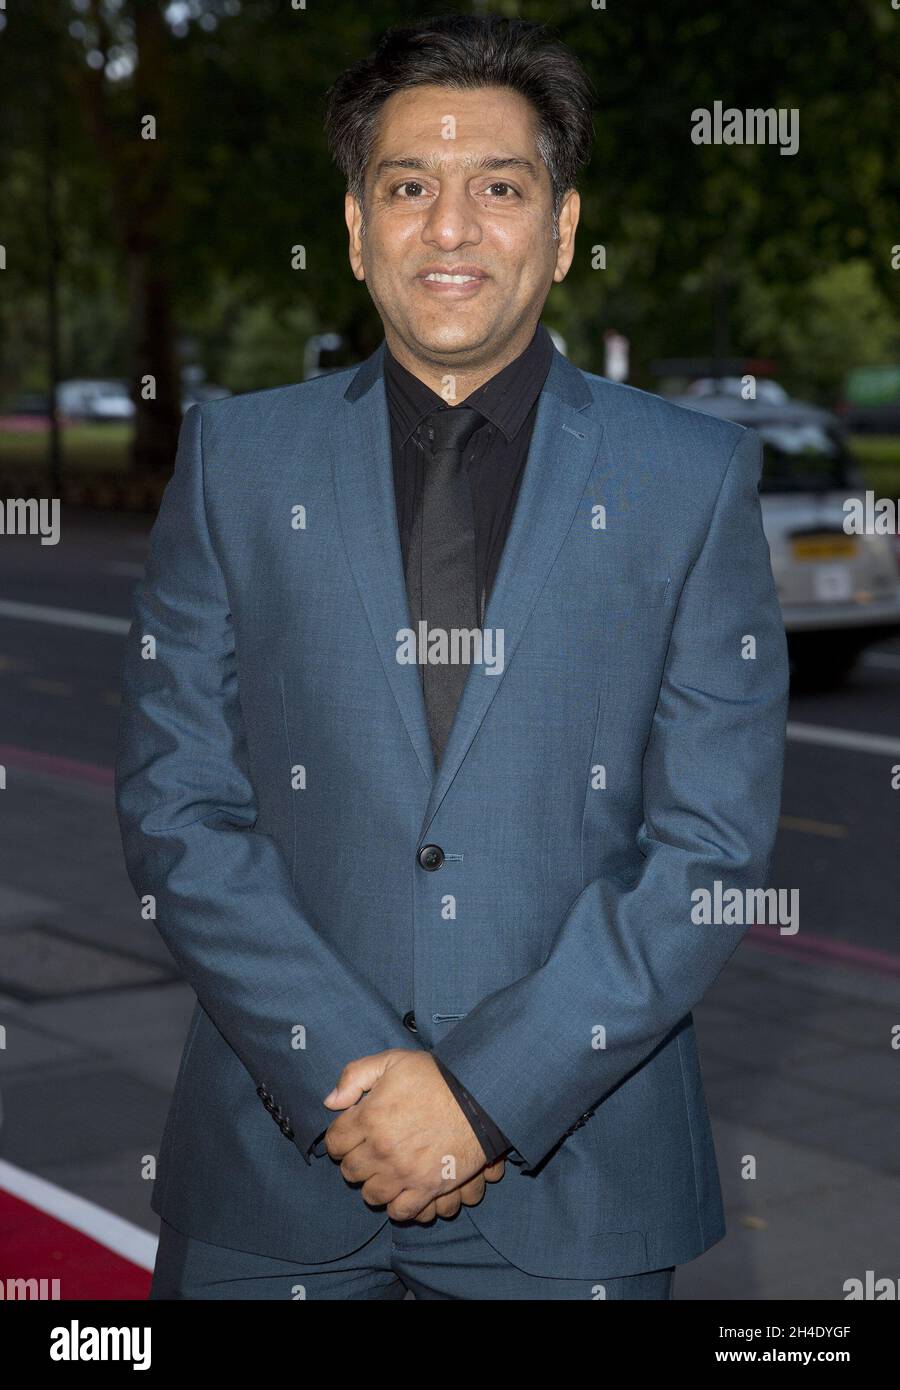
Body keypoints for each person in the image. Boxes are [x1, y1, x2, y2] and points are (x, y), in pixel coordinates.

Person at [115, 12, 788, 1300]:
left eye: (500, 187)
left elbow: (710, 846)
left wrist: (483, 1101)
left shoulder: (690, 479)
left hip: (575, 1180)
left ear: (565, 227)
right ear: (358, 228)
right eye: (408, 186)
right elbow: (177, 804)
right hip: (275, 1179)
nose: (453, 226)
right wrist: (359, 1089)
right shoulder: (235, 462)